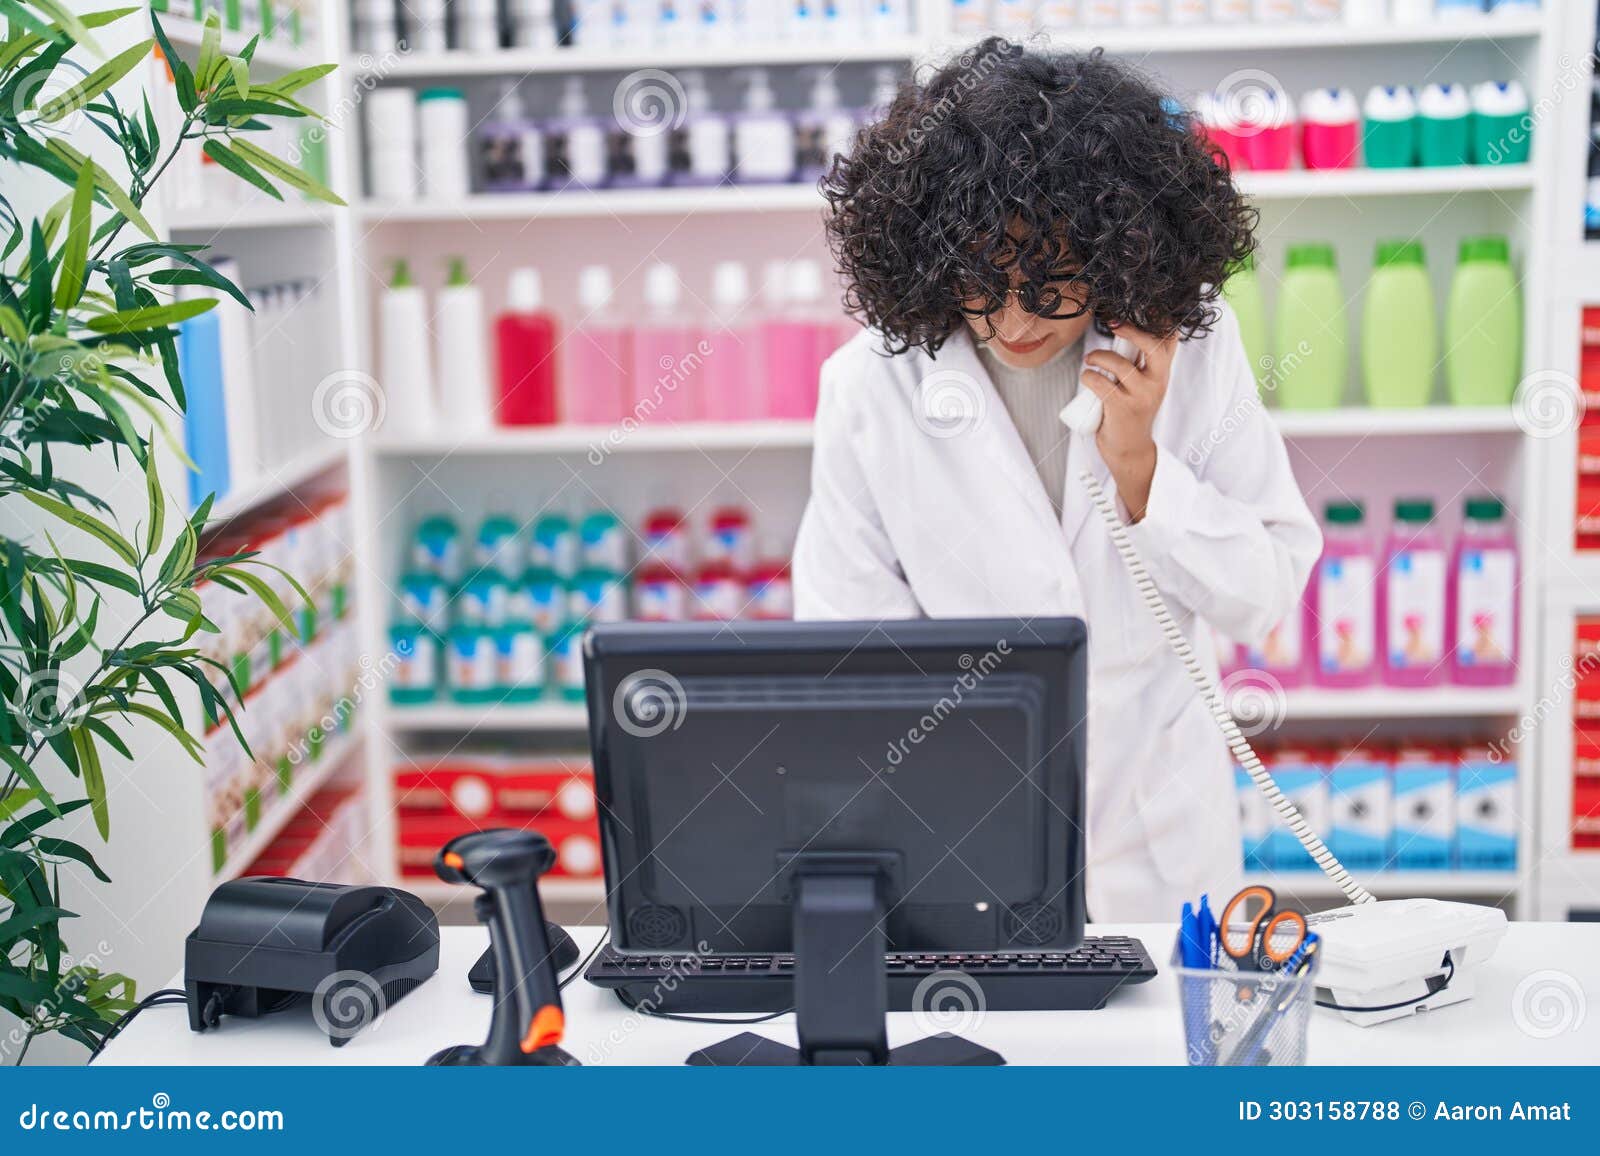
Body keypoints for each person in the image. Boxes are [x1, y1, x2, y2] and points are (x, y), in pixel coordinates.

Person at [792, 40, 1322, 921]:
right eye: (979, 281)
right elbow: (847, 662)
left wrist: (1142, 469)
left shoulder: (1194, 347)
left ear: (1116, 244)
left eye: (1049, 279)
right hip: (960, 848)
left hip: (1161, 855)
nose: (1013, 320)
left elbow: (1264, 597)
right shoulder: (866, 391)